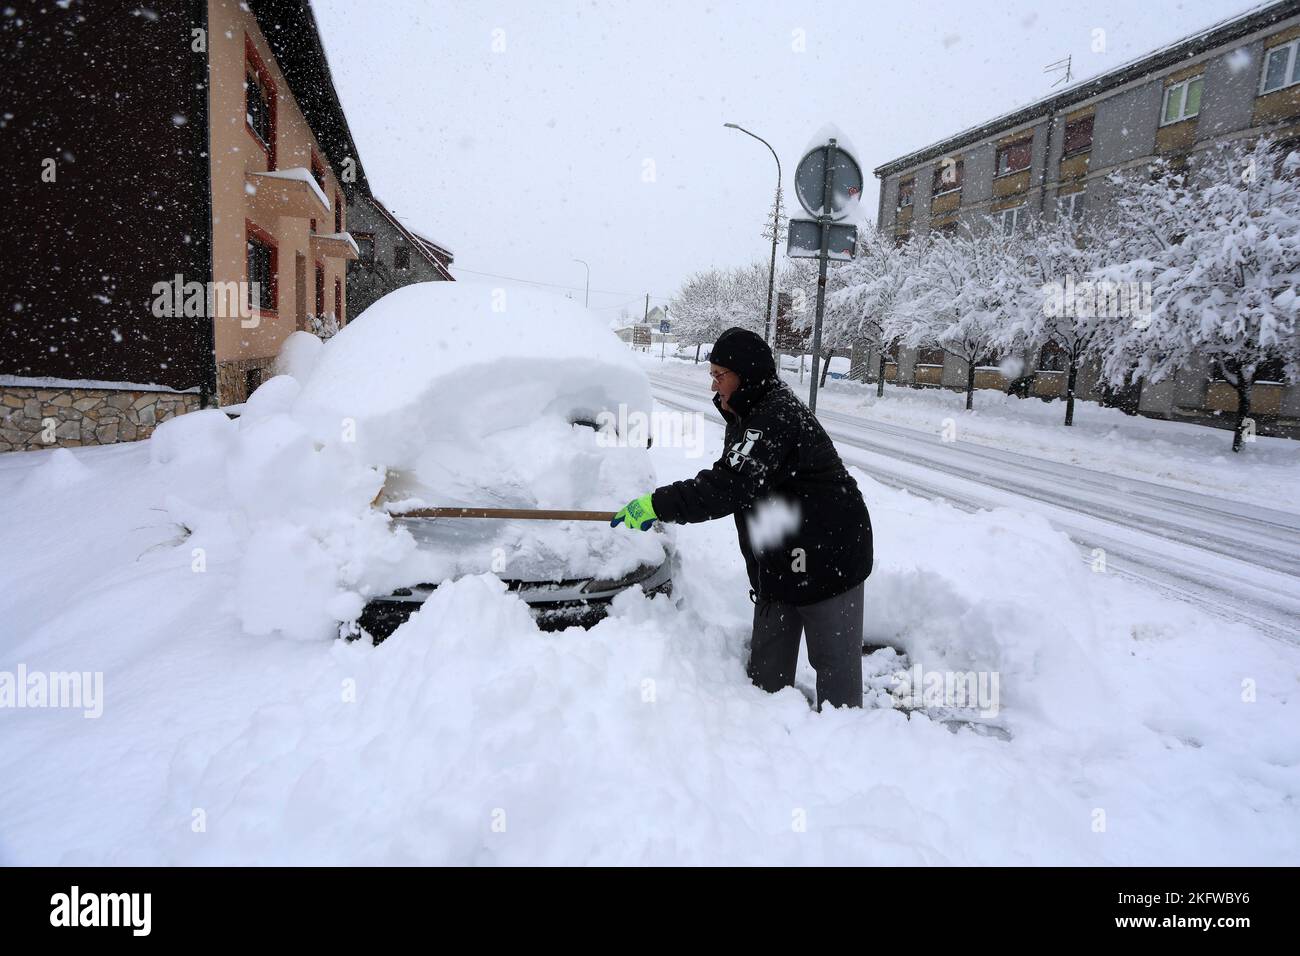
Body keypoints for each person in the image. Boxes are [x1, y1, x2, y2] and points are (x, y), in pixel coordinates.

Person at [611, 326, 873, 709]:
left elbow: (727, 487)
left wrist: (658, 504)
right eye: (711, 375)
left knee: (837, 684)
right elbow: (745, 486)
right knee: (765, 681)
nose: (713, 386)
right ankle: (770, 747)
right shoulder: (746, 411)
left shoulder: (774, 416)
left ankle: (846, 753)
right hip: (781, 561)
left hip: (832, 555)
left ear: (746, 374)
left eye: (720, 375)